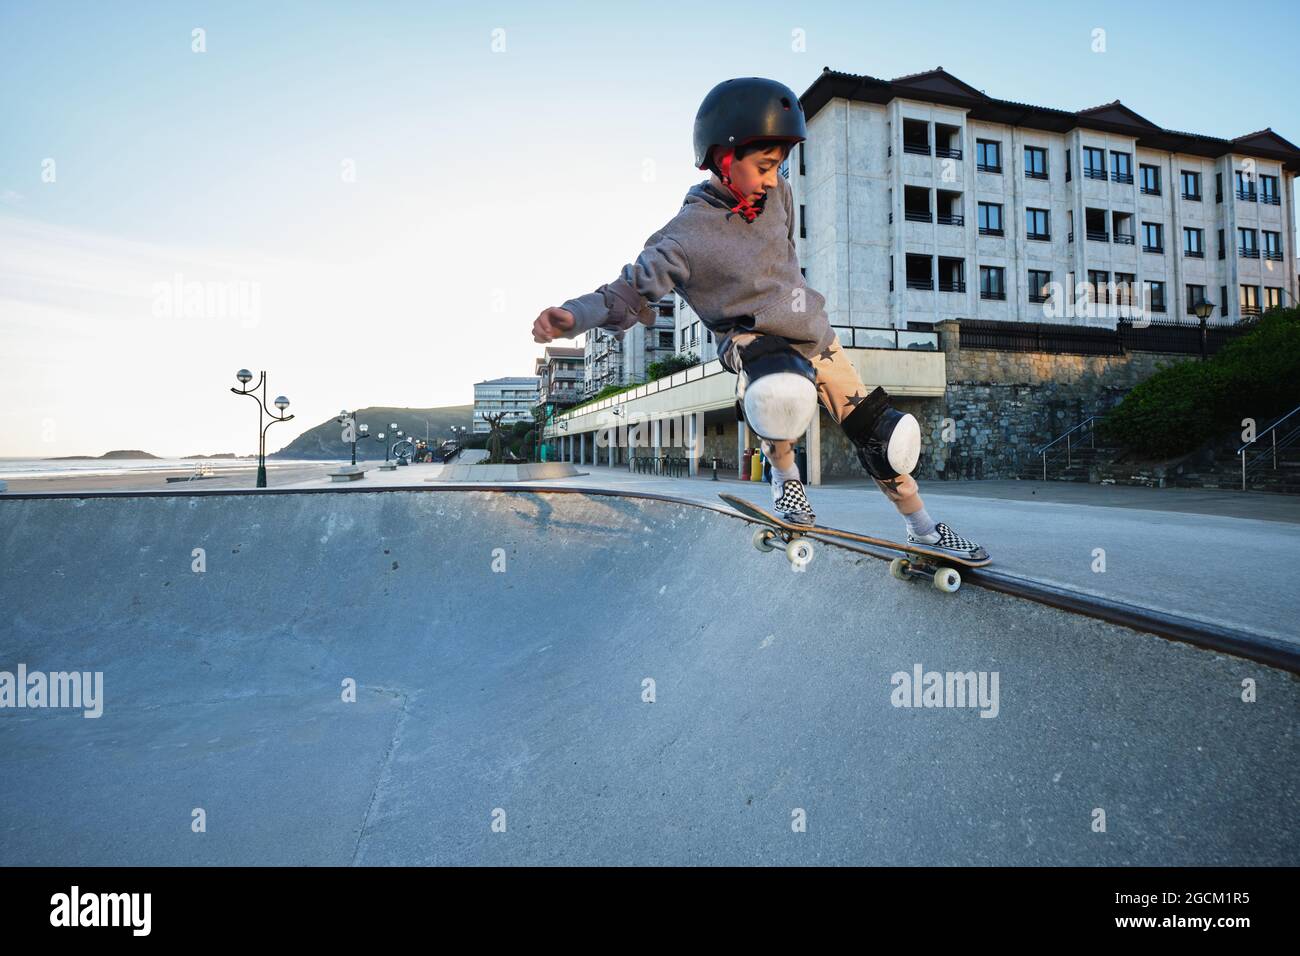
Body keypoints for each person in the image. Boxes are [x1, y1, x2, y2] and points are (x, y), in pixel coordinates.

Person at [532, 77, 987, 562]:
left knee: (883, 436)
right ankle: (786, 480)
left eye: (780, 166)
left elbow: (782, 262)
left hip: (816, 337)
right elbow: (624, 291)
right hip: (750, 341)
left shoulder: (780, 197)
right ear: (722, 160)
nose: (774, 179)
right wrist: (573, 317)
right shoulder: (682, 240)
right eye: (764, 166)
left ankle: (924, 529)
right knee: (779, 389)